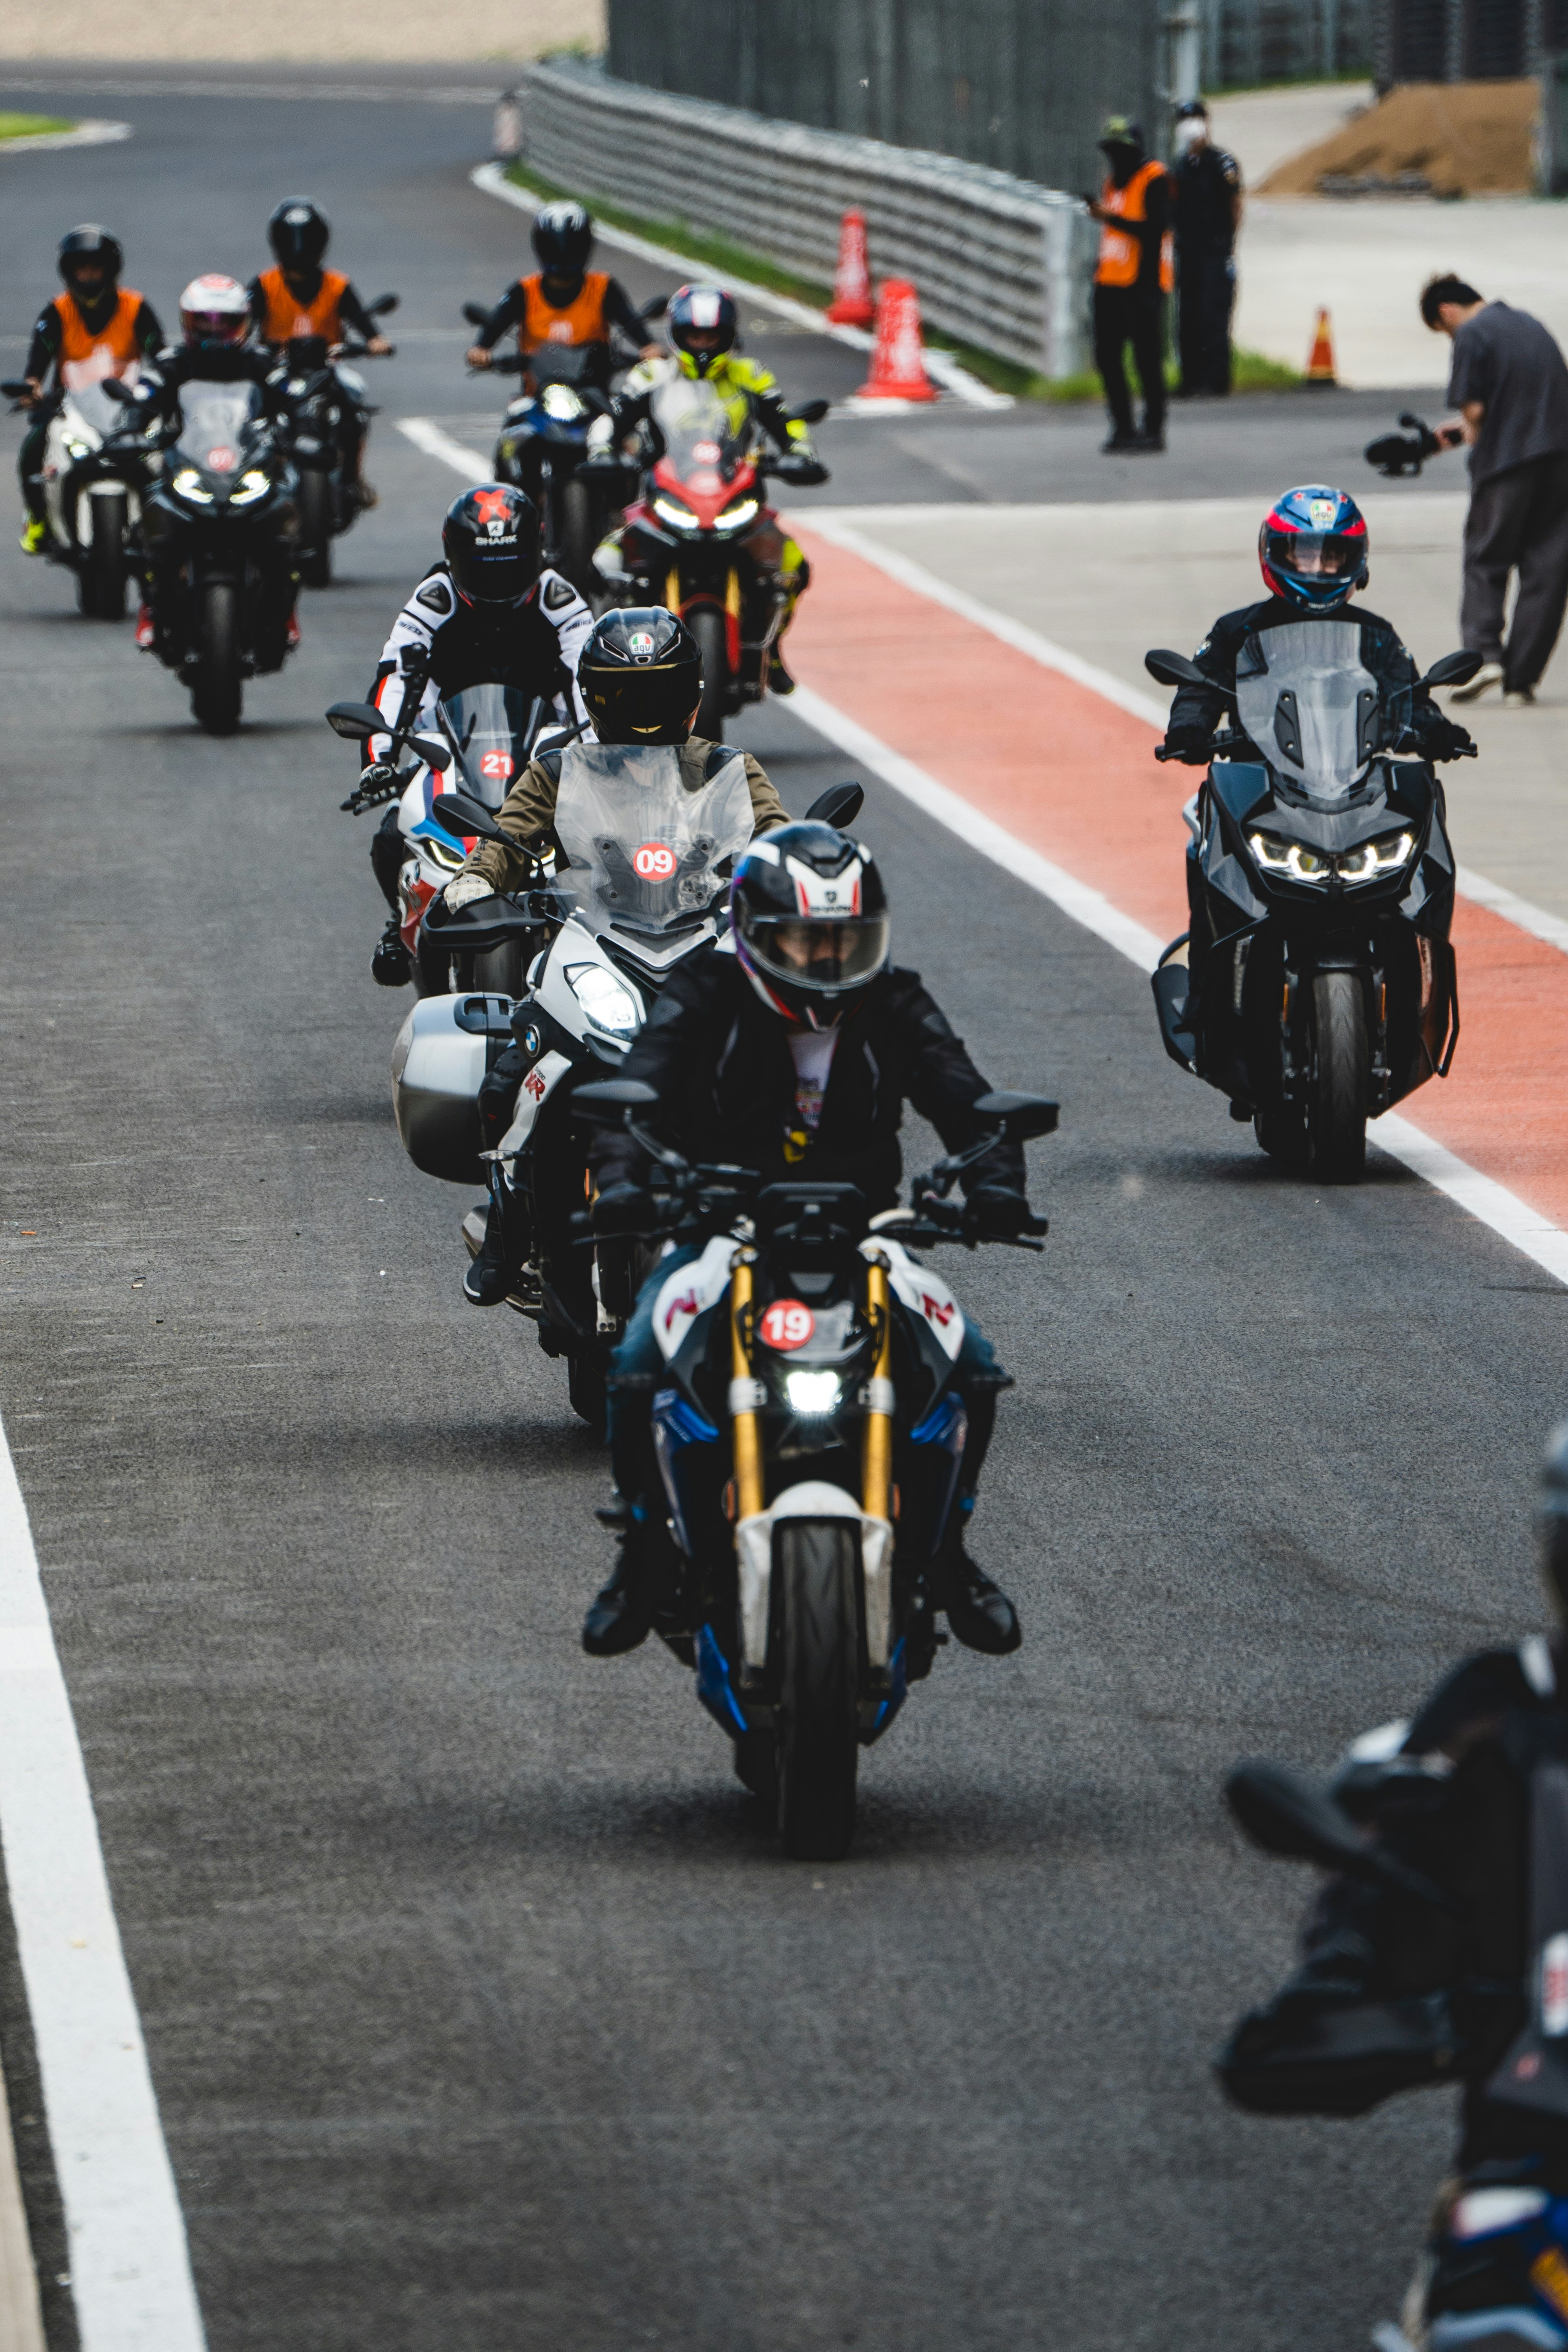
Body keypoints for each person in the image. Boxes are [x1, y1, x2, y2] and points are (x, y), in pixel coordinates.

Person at [568, 819, 1041, 1662]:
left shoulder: (894, 999)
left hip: (867, 1235)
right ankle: (639, 1559)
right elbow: (636, 1085)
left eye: (843, 942)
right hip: (726, 1231)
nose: (826, 962)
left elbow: (967, 1099)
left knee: (969, 1363)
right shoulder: (703, 993)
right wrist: (624, 1182)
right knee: (638, 1357)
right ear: (752, 931)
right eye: (803, 939)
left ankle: (948, 1554)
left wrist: (995, 1185)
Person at [1217, 1424, 1568, 2350]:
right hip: (1535, 2158)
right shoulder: (1489, 1719)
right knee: (1485, 2302)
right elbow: (1381, 1867)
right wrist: (1352, 1981)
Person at [440, 605, 789, 1303]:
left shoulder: (728, 769)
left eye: (658, 690)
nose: (646, 708)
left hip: (701, 941)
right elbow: (510, 839)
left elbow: (775, 837)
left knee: (779, 1065)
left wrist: (789, 876)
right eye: (630, 693)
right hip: (591, 943)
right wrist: (477, 880)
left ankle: (778, 1225)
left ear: (689, 693)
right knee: (505, 1080)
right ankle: (514, 1229)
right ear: (597, 698)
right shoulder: (558, 770)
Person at [1158, 486, 1473, 983]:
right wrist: (1189, 729)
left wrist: (1436, 731)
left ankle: (1413, 983)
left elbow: (1409, 695)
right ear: (1273, 554)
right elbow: (1200, 689)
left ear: (1356, 561)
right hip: (1262, 785)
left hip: (1355, 786)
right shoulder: (1236, 629)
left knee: (1418, 829)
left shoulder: (1376, 635)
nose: (1316, 567)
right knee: (1203, 845)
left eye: (1332, 556)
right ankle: (1207, 989)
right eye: (1302, 553)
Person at [357, 481, 595, 984]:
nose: (498, 580)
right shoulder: (434, 596)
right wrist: (380, 755)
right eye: (485, 567)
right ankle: (400, 923)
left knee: (595, 836)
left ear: (535, 554)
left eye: (510, 565)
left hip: (543, 739)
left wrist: (599, 750)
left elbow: (587, 674)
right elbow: (395, 676)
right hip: (449, 741)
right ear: (453, 556)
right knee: (390, 832)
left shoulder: (558, 597)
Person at [587, 284, 827, 692]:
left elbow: (786, 422)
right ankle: (608, 659)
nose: (702, 345)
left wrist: (799, 453)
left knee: (794, 565)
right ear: (677, 336)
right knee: (605, 561)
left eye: (711, 337)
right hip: (666, 495)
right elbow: (613, 418)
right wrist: (602, 450)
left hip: (735, 496)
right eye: (695, 336)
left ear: (728, 337)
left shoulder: (751, 375)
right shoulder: (651, 375)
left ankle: (771, 647)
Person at [131, 275, 304, 657]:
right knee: (146, 518)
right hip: (188, 463)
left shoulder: (260, 361)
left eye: (223, 322)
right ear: (187, 323)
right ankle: (151, 607)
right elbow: (144, 396)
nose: (214, 330)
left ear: (243, 322)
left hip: (247, 464)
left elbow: (292, 395)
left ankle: (285, 608)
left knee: (291, 510)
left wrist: (306, 426)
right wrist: (130, 427)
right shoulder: (173, 362)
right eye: (204, 321)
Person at [1421, 272, 1568, 709]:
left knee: (1485, 557)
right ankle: (1520, 681)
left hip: (1507, 462)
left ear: (1446, 313)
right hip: (1559, 459)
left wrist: (1468, 427)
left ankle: (1484, 654)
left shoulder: (1470, 334)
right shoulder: (1529, 324)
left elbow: (1476, 408)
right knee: (1546, 569)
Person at [17, 225, 163, 554]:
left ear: (111, 270)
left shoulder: (136, 308)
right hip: (72, 410)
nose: (88, 276)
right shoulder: (56, 313)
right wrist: (31, 391)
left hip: (131, 410)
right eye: (81, 268)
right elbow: (36, 368)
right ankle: (39, 519)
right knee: (31, 449)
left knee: (169, 453)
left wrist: (167, 388)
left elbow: (161, 355)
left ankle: (164, 531)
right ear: (68, 272)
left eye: (95, 268)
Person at [248, 198, 391, 507]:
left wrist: (376, 340)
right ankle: (252, 472)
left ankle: (353, 478)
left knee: (355, 399)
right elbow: (243, 324)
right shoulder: (264, 284)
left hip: (327, 370)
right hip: (277, 370)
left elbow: (363, 321)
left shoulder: (337, 285)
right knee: (252, 409)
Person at [464, 199, 663, 388]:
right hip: (536, 396)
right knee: (516, 420)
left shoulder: (603, 288)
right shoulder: (525, 291)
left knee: (624, 419)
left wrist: (648, 346)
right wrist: (482, 348)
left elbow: (628, 319)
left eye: (572, 247)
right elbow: (498, 321)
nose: (563, 254)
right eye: (553, 247)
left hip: (593, 395)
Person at [1088, 115, 1171, 455]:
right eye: (1110, 151)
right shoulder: (1112, 183)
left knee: (1146, 361)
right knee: (1107, 357)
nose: (1114, 158)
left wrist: (1110, 218)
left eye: (1120, 151)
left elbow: (1155, 230)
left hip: (1144, 283)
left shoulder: (1155, 179)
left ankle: (1152, 431)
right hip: (1110, 282)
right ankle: (1123, 426)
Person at [1171, 100, 1242, 399]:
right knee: (1188, 317)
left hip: (1214, 251)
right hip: (1188, 252)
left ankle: (1215, 381)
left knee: (1213, 315)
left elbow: (1235, 204)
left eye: (1195, 119)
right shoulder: (1180, 167)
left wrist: (1226, 243)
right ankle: (1190, 380)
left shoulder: (1221, 162)